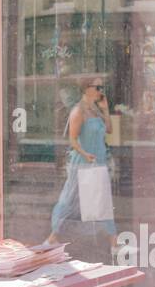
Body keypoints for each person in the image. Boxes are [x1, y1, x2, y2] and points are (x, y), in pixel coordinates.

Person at [46, 78, 117, 254]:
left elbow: (109, 130)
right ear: (87, 89)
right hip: (83, 163)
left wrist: (106, 109)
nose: (101, 91)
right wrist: (85, 154)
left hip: (98, 162)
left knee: (103, 200)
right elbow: (72, 139)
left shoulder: (95, 111)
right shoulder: (78, 111)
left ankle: (114, 242)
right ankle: (53, 237)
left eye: (103, 87)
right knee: (69, 199)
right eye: (98, 87)